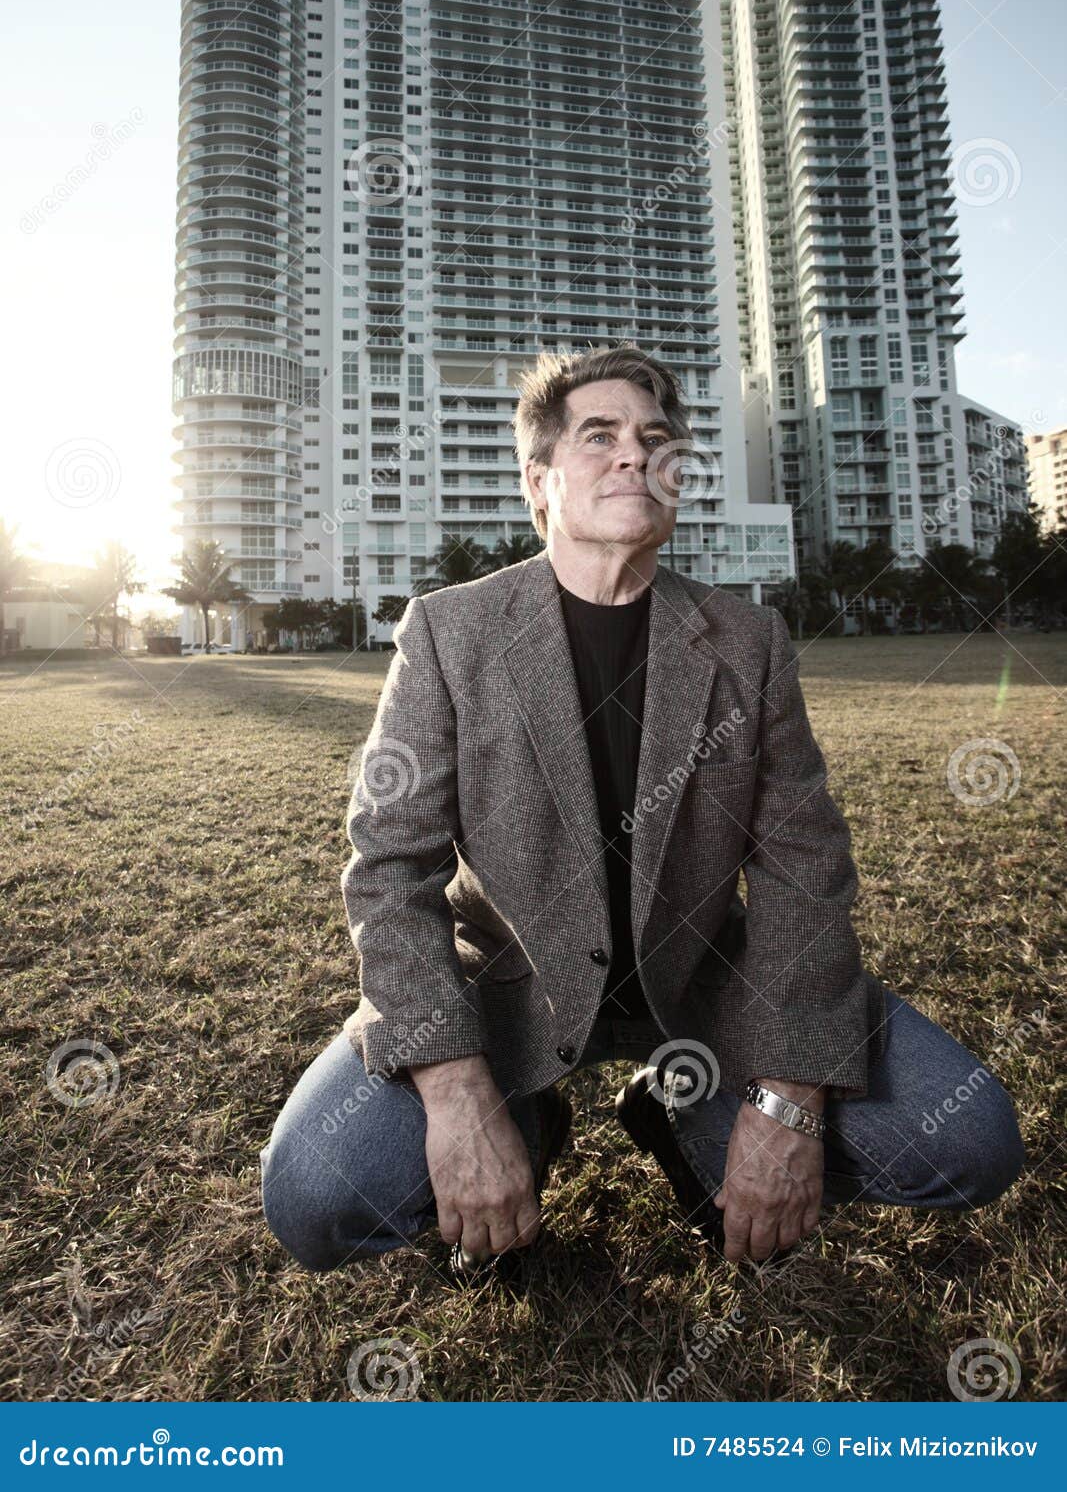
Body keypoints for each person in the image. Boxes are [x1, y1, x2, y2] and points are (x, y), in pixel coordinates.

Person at [261, 345, 1024, 1280]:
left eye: (656, 439)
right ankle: (531, 1118)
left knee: (972, 1140)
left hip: (704, 979)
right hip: (506, 990)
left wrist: (785, 1102)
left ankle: (680, 1119)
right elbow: (389, 864)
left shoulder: (748, 642)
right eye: (600, 436)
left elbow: (803, 871)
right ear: (537, 482)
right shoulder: (446, 632)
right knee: (313, 1196)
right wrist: (459, 1093)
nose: (635, 456)